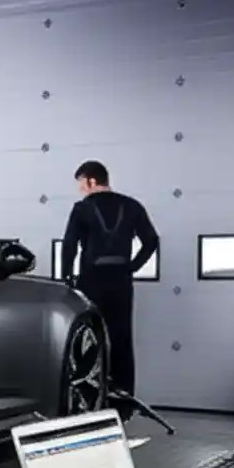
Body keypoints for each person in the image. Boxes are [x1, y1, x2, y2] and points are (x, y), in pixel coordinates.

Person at [60, 161, 159, 420]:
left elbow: (69, 245)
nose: (80, 189)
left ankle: (90, 403)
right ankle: (123, 406)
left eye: (81, 183)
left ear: (91, 181)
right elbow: (152, 241)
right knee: (122, 340)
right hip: (120, 283)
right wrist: (131, 267)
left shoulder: (82, 209)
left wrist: (67, 279)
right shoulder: (132, 205)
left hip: (91, 282)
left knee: (88, 341)